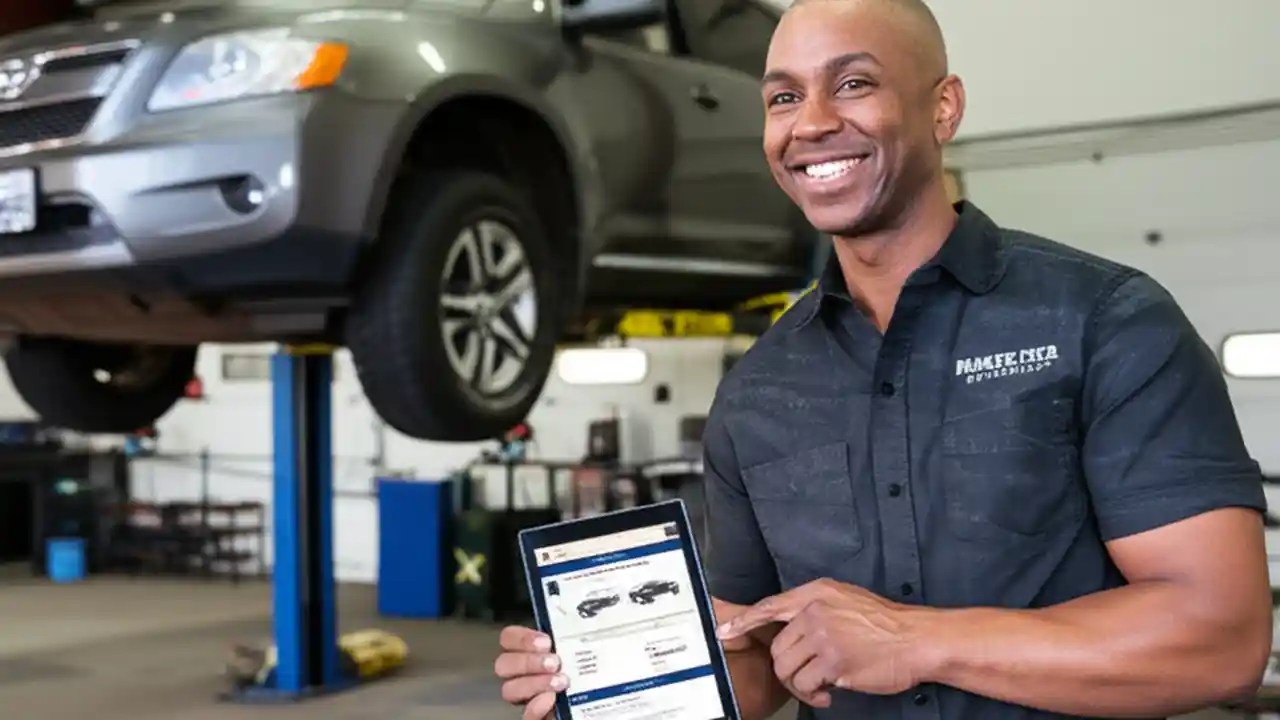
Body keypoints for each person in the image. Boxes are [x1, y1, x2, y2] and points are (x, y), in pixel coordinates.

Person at [494, 0, 1274, 718]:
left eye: (854, 83)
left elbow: (1221, 638)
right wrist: (612, 673)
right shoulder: (759, 390)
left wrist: (915, 640)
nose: (811, 124)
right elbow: (759, 659)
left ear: (943, 107)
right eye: (783, 97)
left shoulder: (1103, 322)